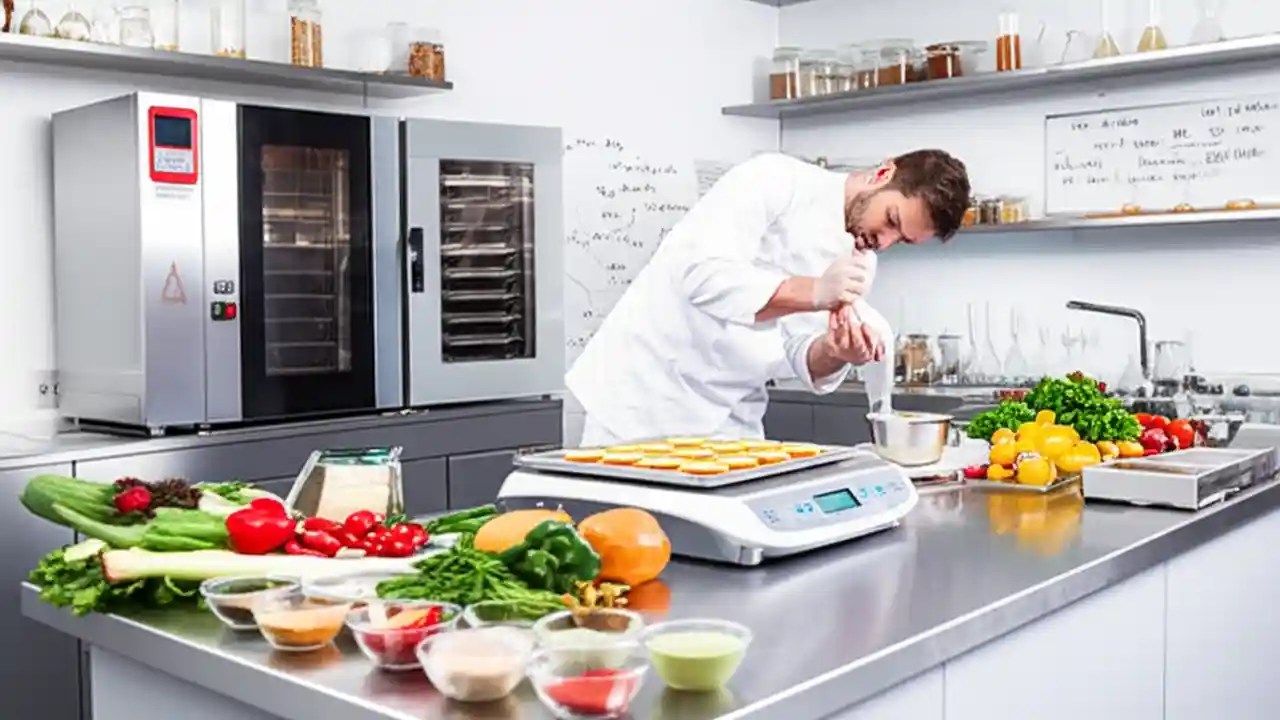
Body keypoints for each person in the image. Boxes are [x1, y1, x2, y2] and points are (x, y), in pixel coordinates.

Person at [566, 150, 971, 447]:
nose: (882, 242)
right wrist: (814, 292)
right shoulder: (774, 180)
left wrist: (837, 351)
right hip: (642, 403)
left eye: (901, 240)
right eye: (891, 220)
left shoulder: (859, 258)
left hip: (730, 420)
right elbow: (703, 276)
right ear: (883, 173)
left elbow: (796, 352)